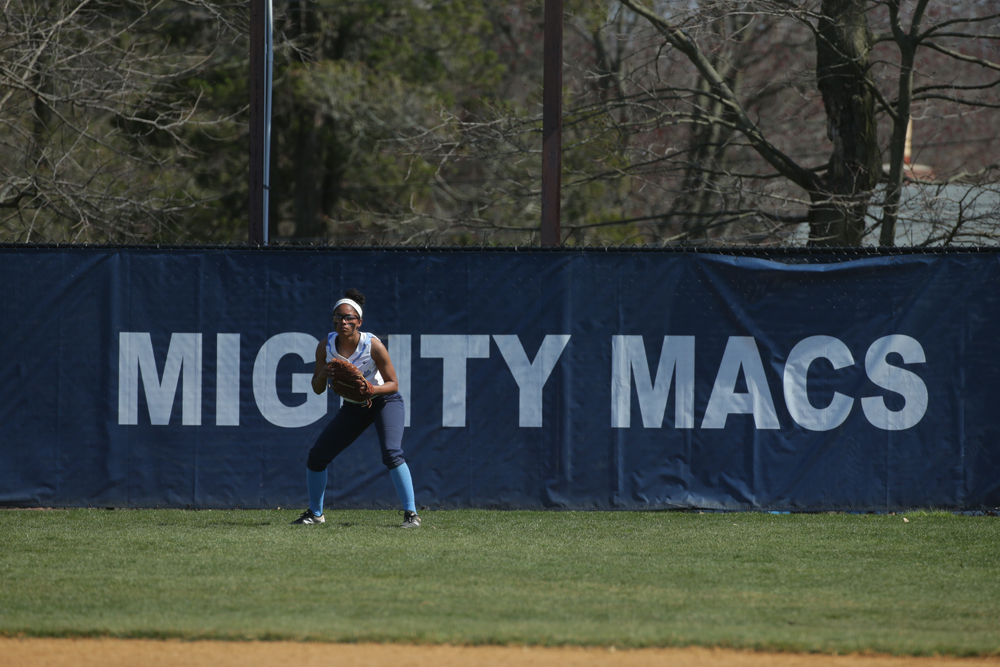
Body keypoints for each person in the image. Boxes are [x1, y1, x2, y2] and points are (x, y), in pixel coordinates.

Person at [292, 288, 420, 528]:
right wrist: (323, 375)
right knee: (317, 456)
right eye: (339, 316)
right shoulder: (325, 346)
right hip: (354, 407)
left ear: (359, 322)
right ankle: (316, 514)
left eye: (350, 317)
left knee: (392, 453)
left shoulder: (372, 345)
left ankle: (411, 515)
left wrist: (372, 390)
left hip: (384, 401)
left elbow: (393, 384)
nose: (344, 321)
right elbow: (317, 389)